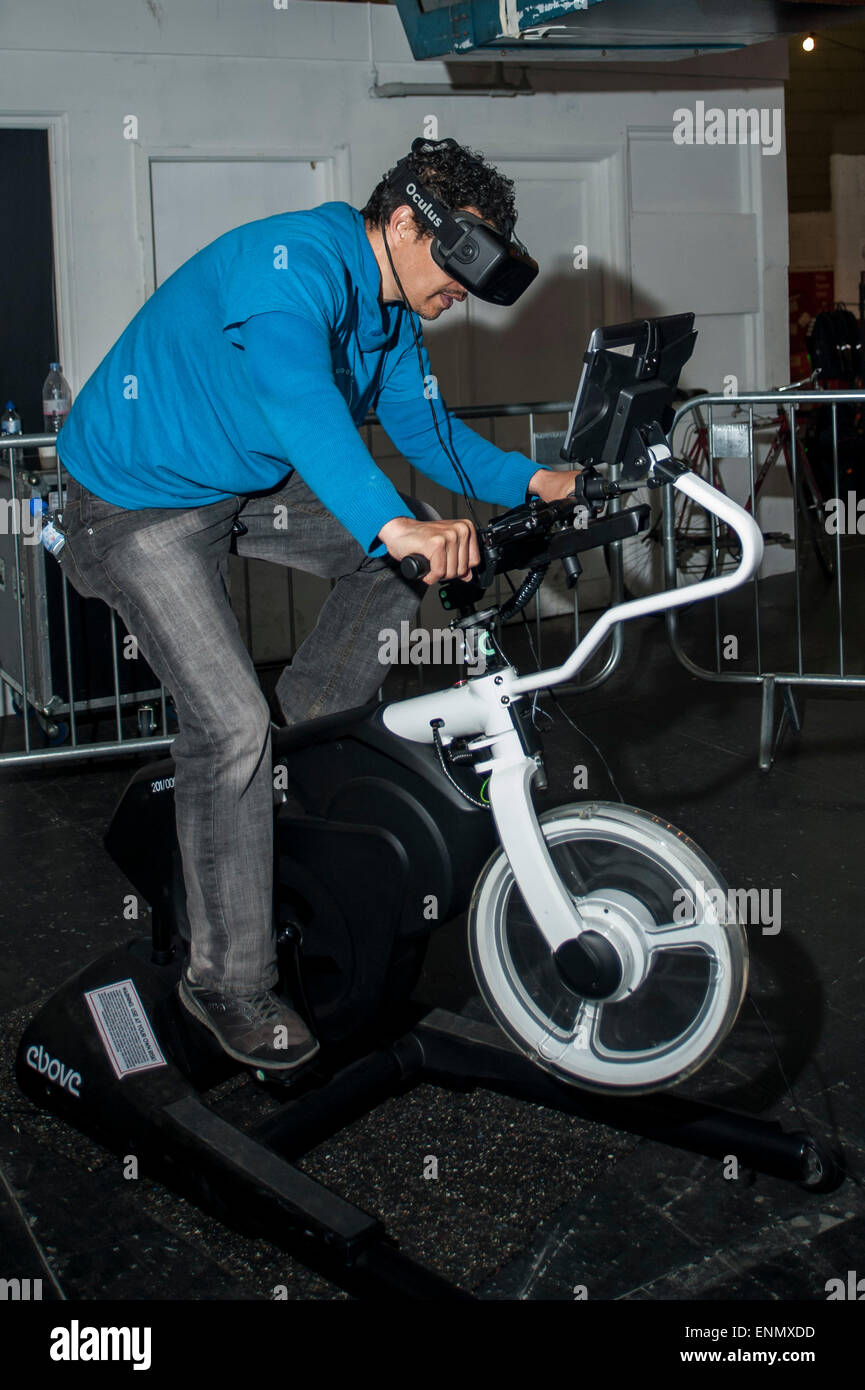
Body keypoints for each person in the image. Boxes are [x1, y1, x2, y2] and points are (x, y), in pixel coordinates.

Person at [54, 137, 581, 1073]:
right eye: (460, 268)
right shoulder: (287, 263)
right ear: (407, 224)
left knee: (392, 567)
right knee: (225, 725)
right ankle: (226, 982)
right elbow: (298, 397)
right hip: (128, 504)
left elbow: (431, 434)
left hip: (234, 488)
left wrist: (532, 480)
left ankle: (296, 741)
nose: (461, 294)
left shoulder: (388, 325)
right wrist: (393, 523)